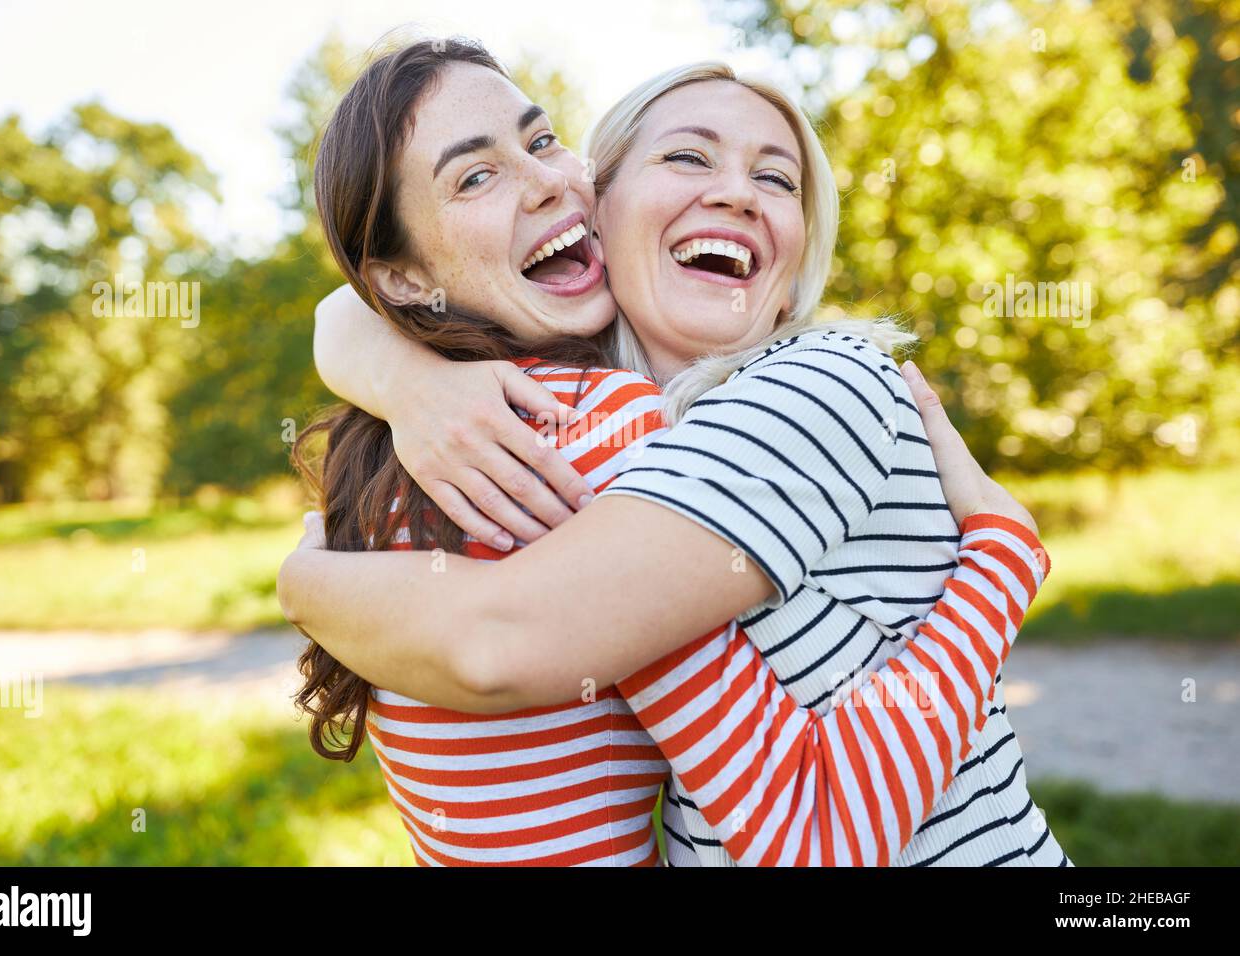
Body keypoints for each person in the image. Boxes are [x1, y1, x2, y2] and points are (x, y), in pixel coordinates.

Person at [279, 35, 1066, 866]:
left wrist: (306, 574)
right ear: (605, 208)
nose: (736, 194)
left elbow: (813, 828)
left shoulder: (808, 386)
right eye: (689, 157)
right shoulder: (561, 423)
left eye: (776, 177)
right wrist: (1005, 561)